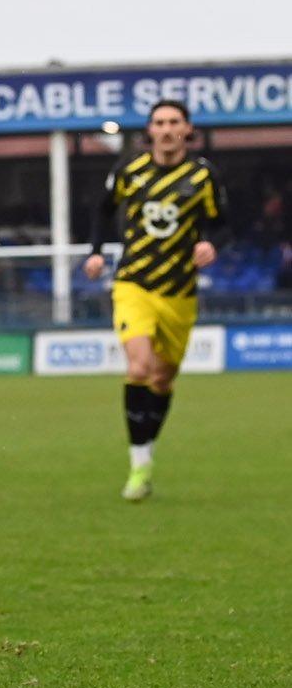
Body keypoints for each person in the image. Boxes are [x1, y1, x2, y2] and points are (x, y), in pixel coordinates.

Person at [83, 100, 224, 502]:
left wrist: (212, 243)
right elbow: (102, 209)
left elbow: (222, 221)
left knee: (162, 379)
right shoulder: (129, 169)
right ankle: (138, 463)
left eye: (173, 122)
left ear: (187, 129)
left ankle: (147, 453)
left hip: (179, 292)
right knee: (139, 366)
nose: (166, 129)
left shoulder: (202, 176)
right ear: (150, 130)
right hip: (133, 283)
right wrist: (96, 251)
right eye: (159, 122)